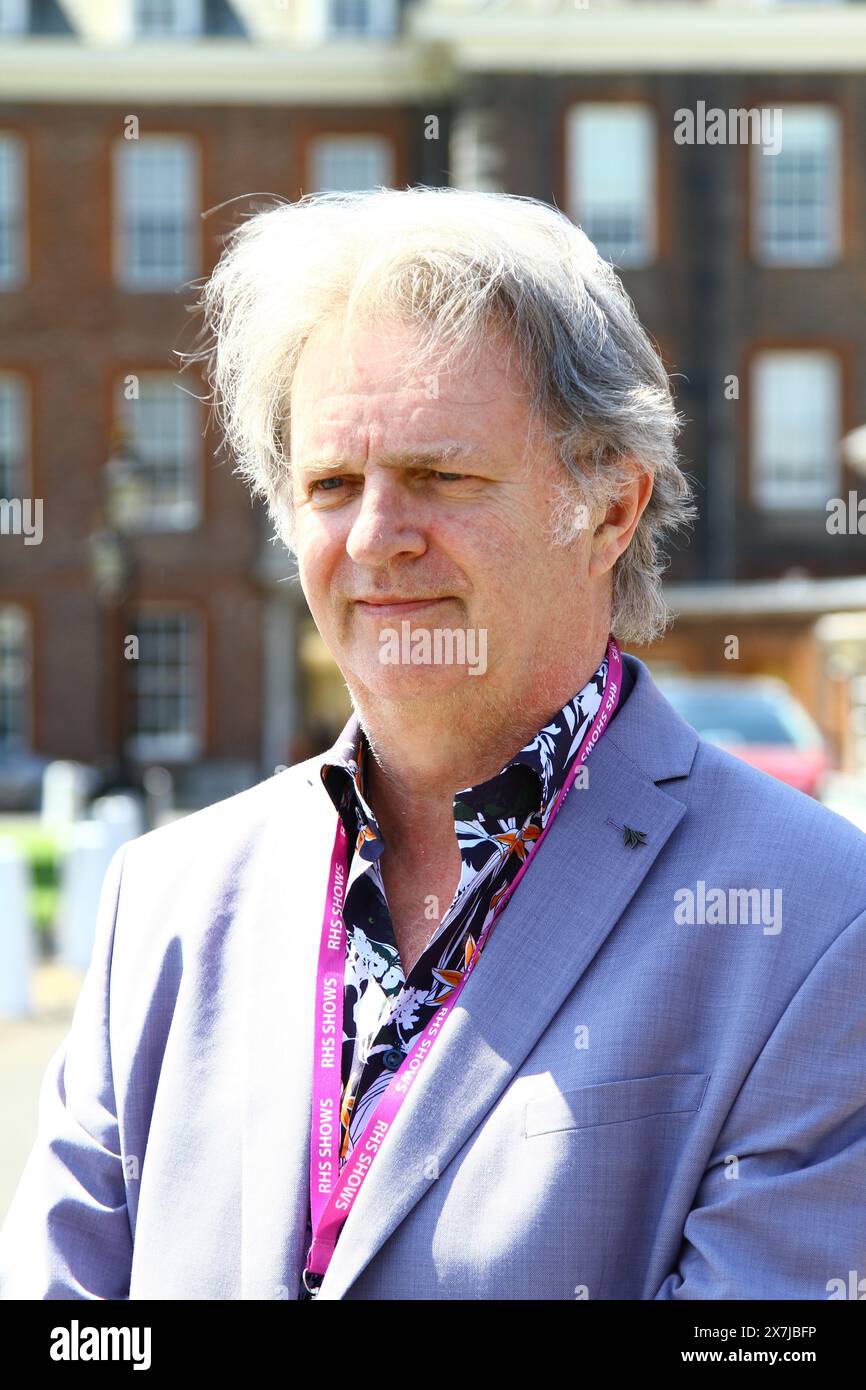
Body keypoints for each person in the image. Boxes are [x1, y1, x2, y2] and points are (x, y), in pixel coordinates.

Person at [2, 187, 864, 1301]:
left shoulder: (815, 923)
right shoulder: (161, 905)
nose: (374, 537)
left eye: (440, 477)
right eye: (329, 485)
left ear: (609, 506)